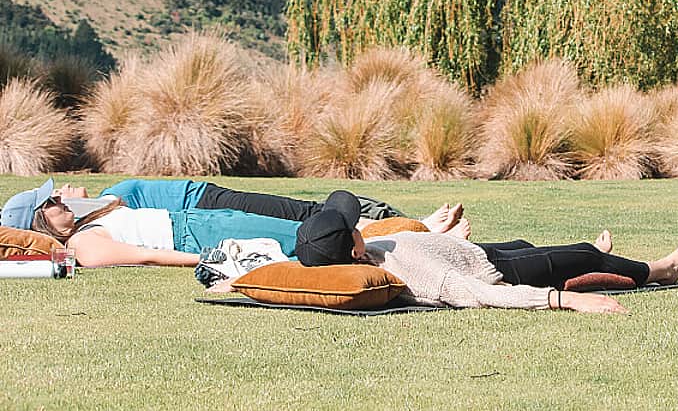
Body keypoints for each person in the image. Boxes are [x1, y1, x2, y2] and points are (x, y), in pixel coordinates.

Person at [214, 191, 678, 314]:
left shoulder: (371, 250)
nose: (359, 224)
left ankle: (583, 264)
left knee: (530, 247)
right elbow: (475, 294)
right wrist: (566, 302)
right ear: (351, 249)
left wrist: (450, 239)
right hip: (492, 272)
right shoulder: (413, 273)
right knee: (580, 252)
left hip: (476, 252)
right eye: (352, 226)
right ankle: (660, 269)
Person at [2, 178, 464, 235]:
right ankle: (413, 227)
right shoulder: (100, 213)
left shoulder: (102, 201)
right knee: (302, 213)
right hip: (206, 204)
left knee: (299, 208)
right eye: (55, 197)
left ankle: (401, 222)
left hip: (206, 195)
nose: (63, 189)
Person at [26, 193, 305, 268]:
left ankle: (344, 248)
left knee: (291, 234)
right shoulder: (83, 244)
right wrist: (206, 258)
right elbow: (145, 256)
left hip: (195, 222)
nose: (60, 200)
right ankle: (345, 249)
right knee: (296, 237)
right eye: (51, 202)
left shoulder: (85, 225)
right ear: (42, 222)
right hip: (194, 236)